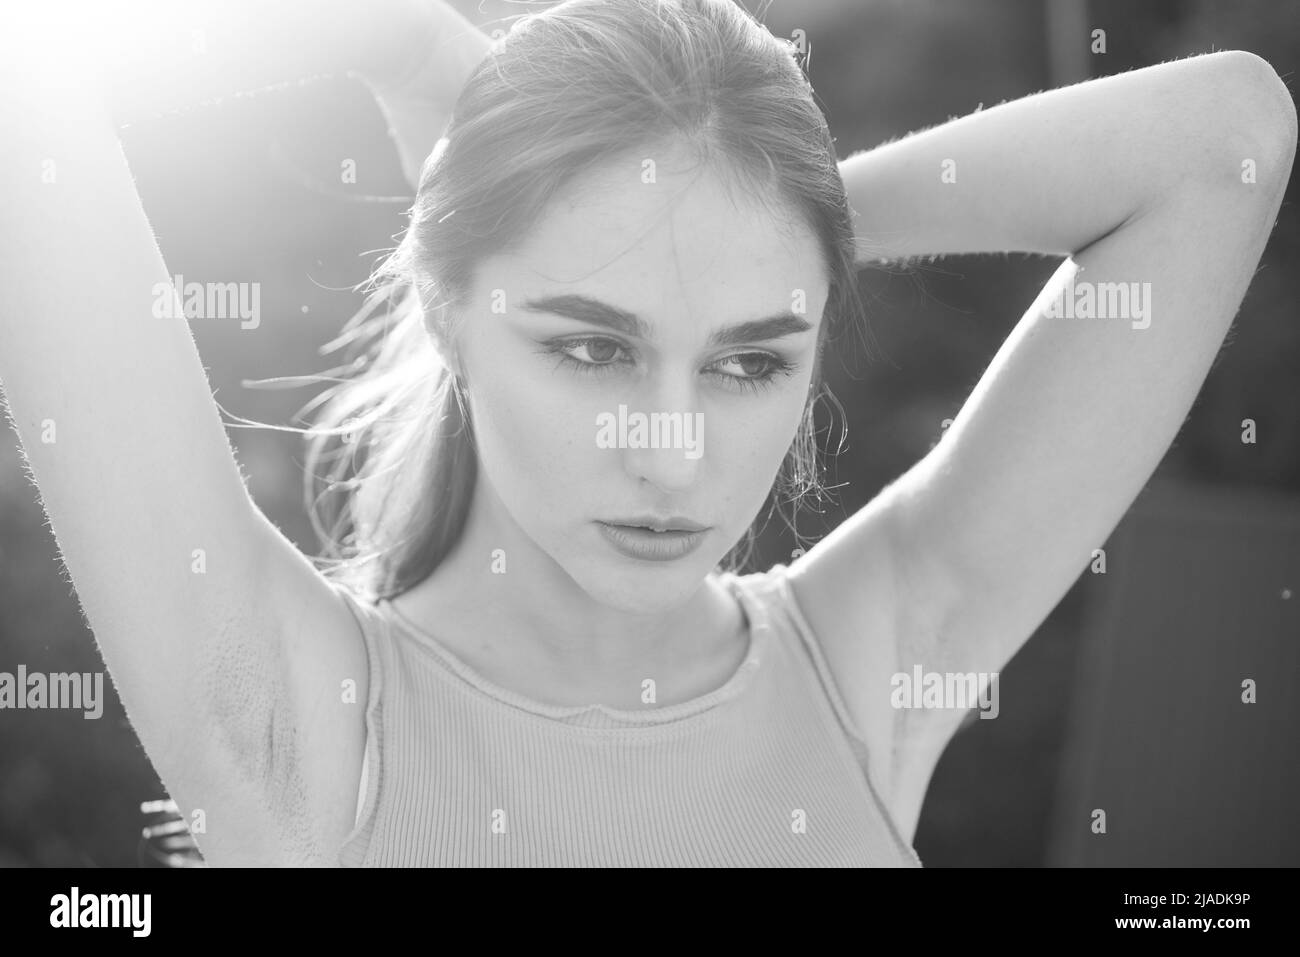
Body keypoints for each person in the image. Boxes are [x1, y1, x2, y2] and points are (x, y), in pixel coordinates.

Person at [0, 0, 1293, 867]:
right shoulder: (293, 724)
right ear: (449, 311)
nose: (674, 452)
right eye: (590, 344)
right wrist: (406, 44)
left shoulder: (871, 662)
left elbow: (1231, 139)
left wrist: (777, 220)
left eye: (750, 357)